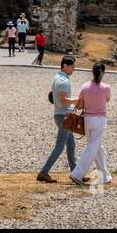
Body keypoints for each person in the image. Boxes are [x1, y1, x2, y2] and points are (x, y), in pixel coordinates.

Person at [70, 61, 113, 187]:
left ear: (92, 72)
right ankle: (77, 173)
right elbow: (107, 100)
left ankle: (105, 175)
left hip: (87, 120)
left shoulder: (85, 86)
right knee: (92, 148)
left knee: (97, 148)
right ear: (103, 72)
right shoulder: (106, 88)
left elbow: (80, 104)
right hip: (99, 120)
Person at [38, 55, 79, 183]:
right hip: (63, 117)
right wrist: (78, 100)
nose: (73, 69)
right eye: (72, 67)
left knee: (71, 144)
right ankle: (44, 172)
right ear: (65, 66)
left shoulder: (57, 78)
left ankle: (76, 173)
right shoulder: (64, 81)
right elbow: (64, 100)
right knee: (60, 146)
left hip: (60, 115)